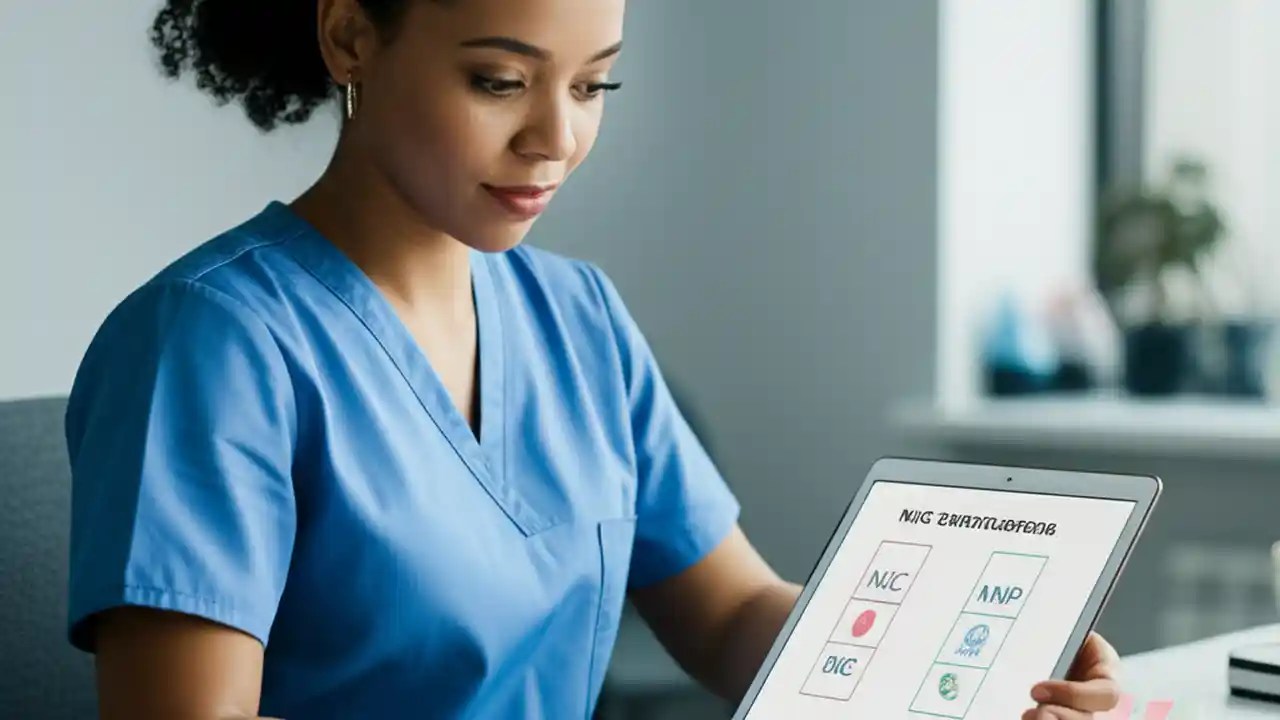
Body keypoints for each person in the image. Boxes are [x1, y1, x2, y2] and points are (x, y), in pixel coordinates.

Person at [63, 1, 1123, 718]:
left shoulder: (579, 317)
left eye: (593, 88)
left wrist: (968, 669)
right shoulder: (215, 343)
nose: (556, 139)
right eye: (497, 80)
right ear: (348, 38)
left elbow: (732, 613)